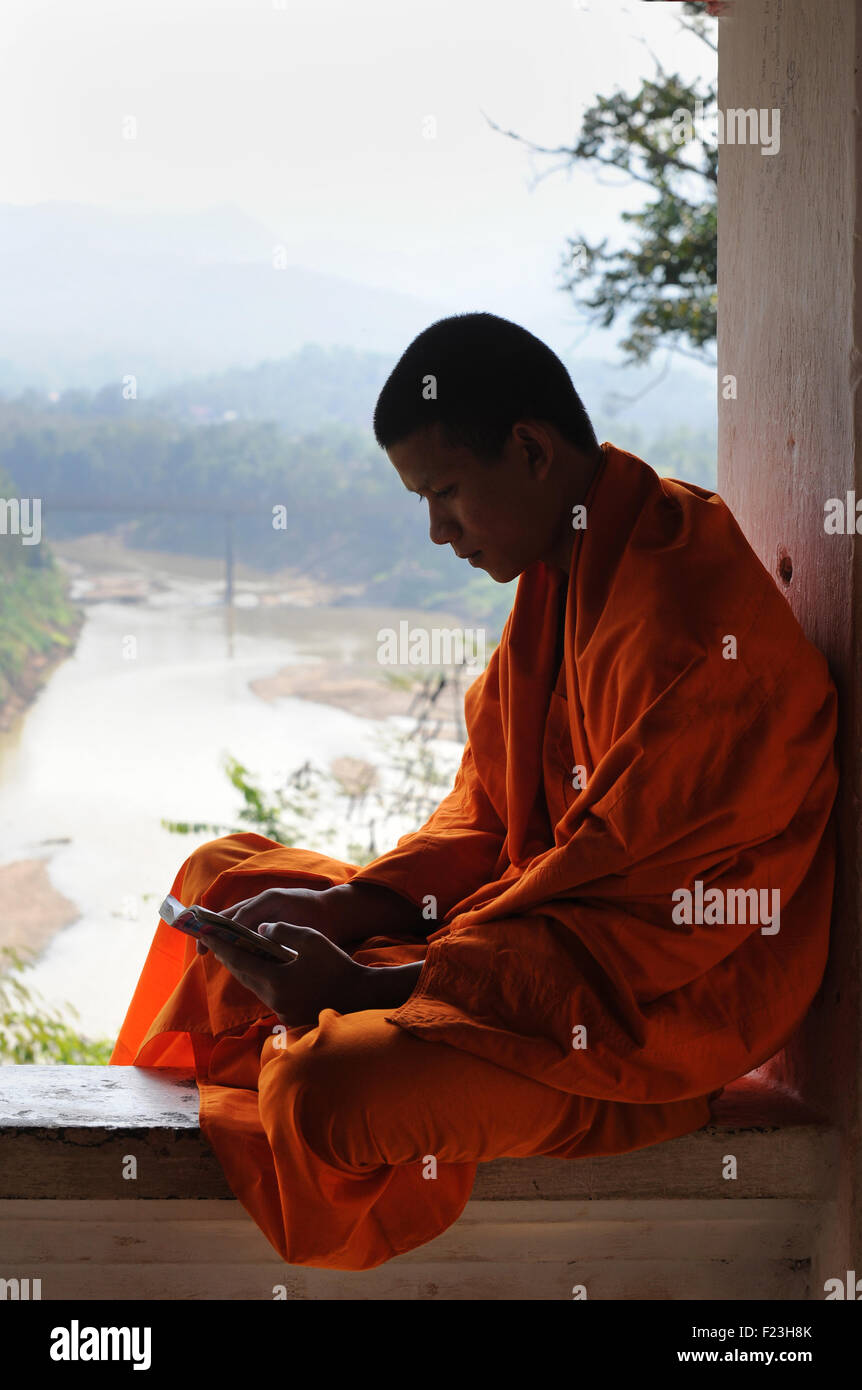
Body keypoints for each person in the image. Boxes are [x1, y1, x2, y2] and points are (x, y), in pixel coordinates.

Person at [111, 312, 839, 1271]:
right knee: (225, 884)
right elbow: (489, 817)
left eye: (446, 494)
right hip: (516, 953)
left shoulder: (691, 644)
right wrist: (354, 903)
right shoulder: (572, 566)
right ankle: (327, 998)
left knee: (325, 1092)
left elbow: (632, 950)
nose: (436, 532)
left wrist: (378, 982)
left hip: (639, 1035)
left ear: (530, 450)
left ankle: (324, 1035)